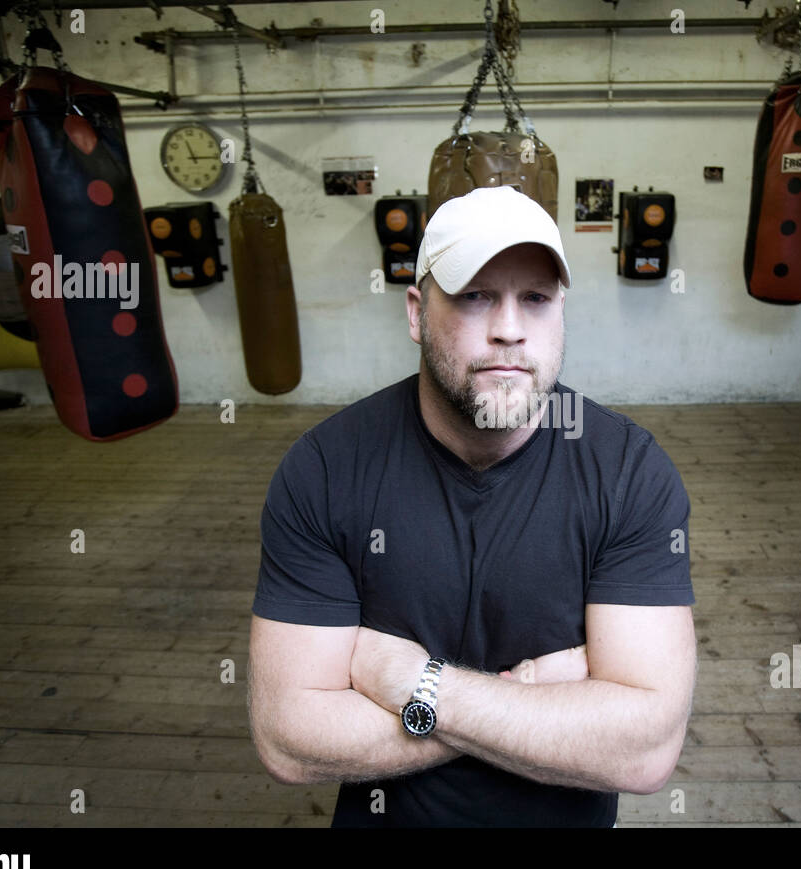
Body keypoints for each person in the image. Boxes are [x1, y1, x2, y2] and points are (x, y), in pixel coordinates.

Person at [246, 186, 698, 827]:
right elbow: (291, 739)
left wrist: (412, 683)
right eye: (474, 295)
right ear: (415, 312)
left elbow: (645, 749)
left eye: (536, 299)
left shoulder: (629, 473)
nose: (509, 328)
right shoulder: (324, 470)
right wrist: (540, 699)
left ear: (562, 313)